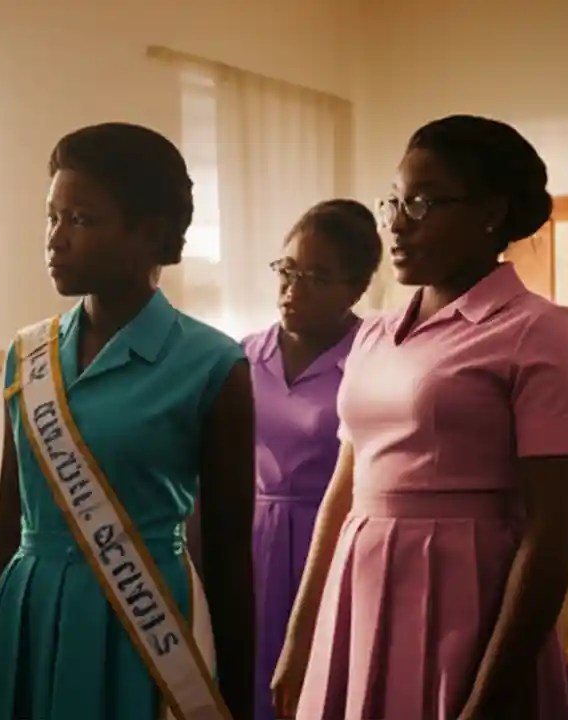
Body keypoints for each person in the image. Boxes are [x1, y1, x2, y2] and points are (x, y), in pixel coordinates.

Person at [272, 115, 568, 720]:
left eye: (422, 203)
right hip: (360, 599)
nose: (396, 223)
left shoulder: (541, 332)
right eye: (394, 200)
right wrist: (303, 632)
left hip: (466, 606)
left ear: (491, 212)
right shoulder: (373, 334)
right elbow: (345, 490)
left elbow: (557, 523)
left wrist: (493, 692)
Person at [0, 122, 257, 720]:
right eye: (53, 216)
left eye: (82, 220)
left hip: (141, 625)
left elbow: (227, 554)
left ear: (149, 234)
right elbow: (8, 519)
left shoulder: (214, 365)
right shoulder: (29, 354)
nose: (55, 239)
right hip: (27, 613)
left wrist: (236, 698)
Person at [245, 200, 381, 720]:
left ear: (355, 289)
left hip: (335, 540)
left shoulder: (373, 356)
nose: (293, 290)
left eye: (317, 278)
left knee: (324, 685)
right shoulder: (242, 356)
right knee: (247, 681)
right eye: (287, 270)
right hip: (253, 539)